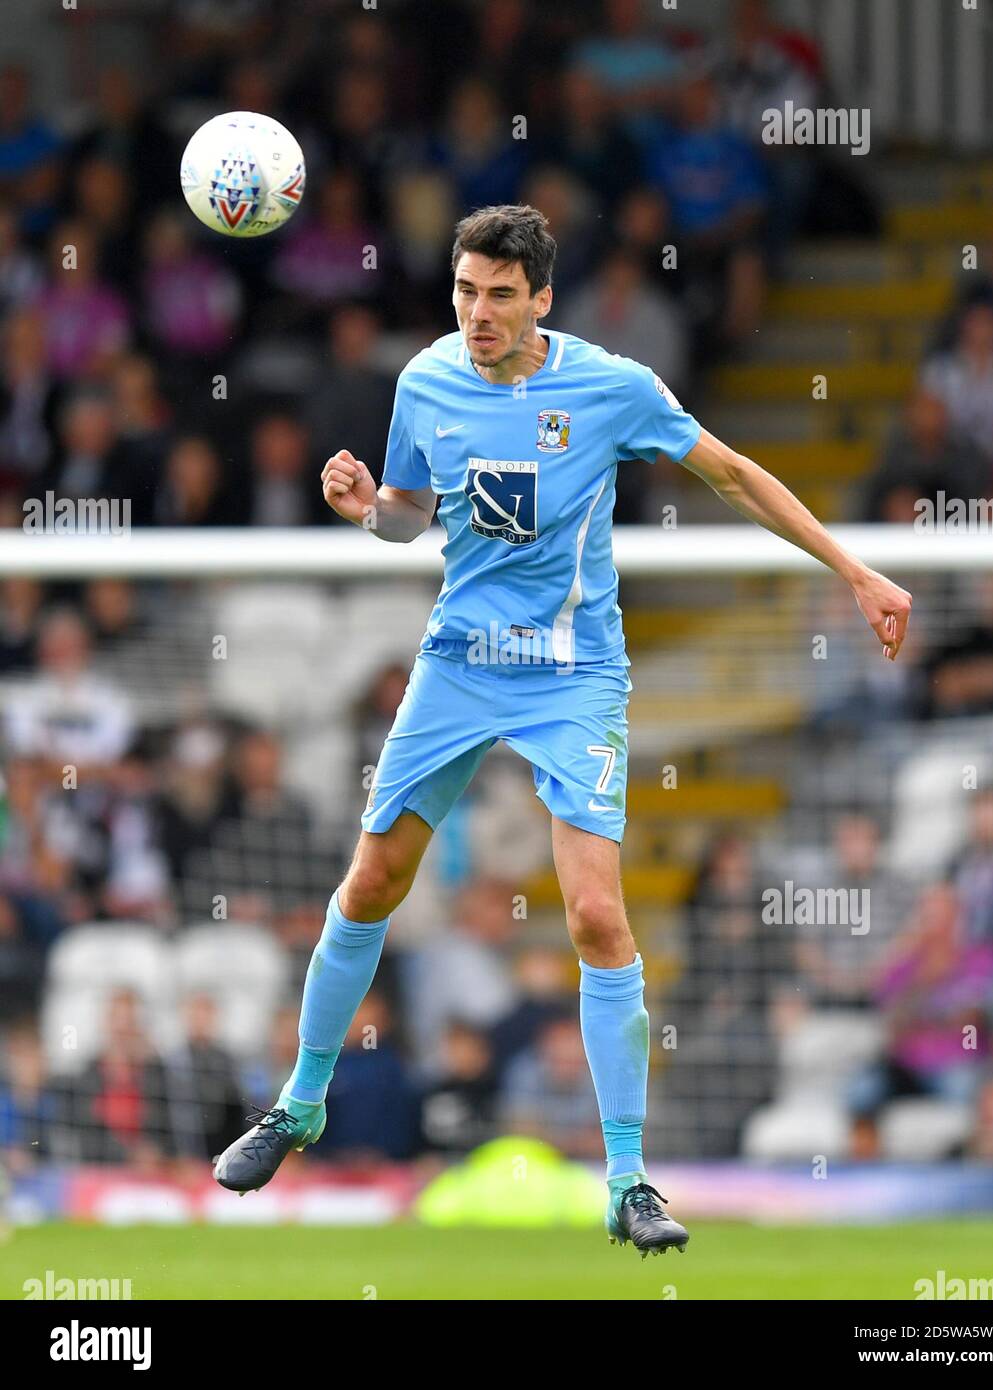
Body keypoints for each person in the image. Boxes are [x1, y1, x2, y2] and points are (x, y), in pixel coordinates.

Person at [215, 204, 912, 1259]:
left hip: (572, 676)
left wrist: (852, 568)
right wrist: (366, 505)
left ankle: (628, 1177)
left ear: (541, 297)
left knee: (593, 915)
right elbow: (412, 518)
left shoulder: (609, 387)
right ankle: (300, 1104)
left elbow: (729, 473)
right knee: (369, 886)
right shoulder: (425, 382)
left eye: (499, 293)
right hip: (455, 667)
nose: (477, 312)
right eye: (463, 290)